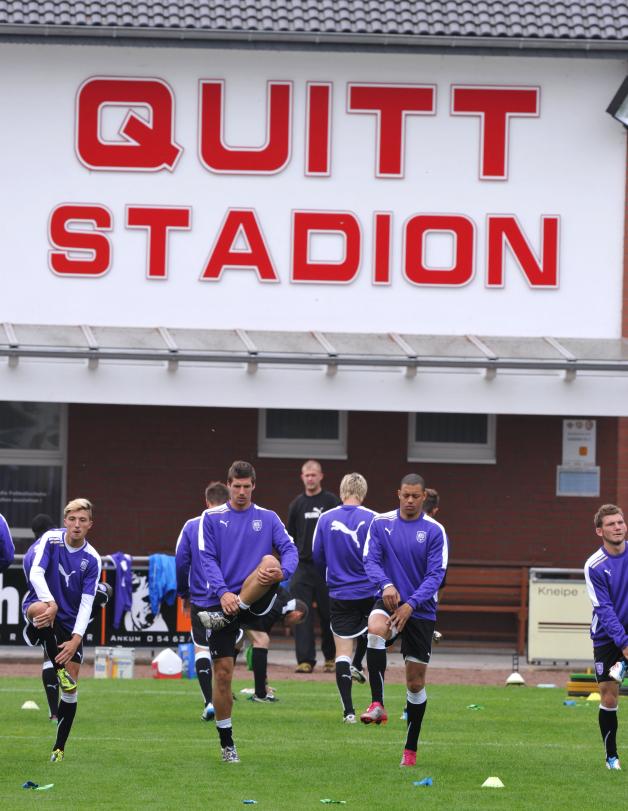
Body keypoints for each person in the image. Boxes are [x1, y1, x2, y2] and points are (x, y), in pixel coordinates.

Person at [197, 460, 298, 763]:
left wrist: (284, 572)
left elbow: (290, 550)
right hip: (221, 601)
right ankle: (227, 743)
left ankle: (238, 613)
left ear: (254, 485)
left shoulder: (267, 518)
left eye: (246, 486)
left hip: (257, 599)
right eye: (236, 486)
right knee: (224, 675)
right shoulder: (211, 517)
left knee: (270, 560)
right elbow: (206, 558)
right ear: (228, 485)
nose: (241, 491)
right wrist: (224, 592)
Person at [361, 473, 448, 768]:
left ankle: (410, 749)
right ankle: (377, 704)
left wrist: (411, 604)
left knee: (414, 683)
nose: (410, 501)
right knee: (374, 630)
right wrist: (386, 584)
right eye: (405, 495)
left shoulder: (435, 531)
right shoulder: (381, 524)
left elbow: (436, 575)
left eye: (415, 496)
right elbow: (370, 560)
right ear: (398, 493)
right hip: (388, 601)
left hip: (420, 610)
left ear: (424, 497)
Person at [22, 498, 102, 762]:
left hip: (71, 622)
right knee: (42, 611)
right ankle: (56, 668)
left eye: (82, 520)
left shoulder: (92, 559)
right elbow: (35, 573)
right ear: (65, 520)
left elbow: (88, 603)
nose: (76, 525)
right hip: (42, 603)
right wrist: (52, 602)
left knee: (70, 690)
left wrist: (75, 640)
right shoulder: (51, 539)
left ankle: (59, 748)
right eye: (72, 519)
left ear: (90, 524)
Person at [312, 472, 377, 723]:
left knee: (342, 651)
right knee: (376, 635)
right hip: (369, 590)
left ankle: (349, 712)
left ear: (341, 492)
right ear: (363, 492)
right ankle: (363, 674)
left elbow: (317, 555)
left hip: (339, 591)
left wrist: (330, 576)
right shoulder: (374, 518)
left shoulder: (326, 519)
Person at [176, 481, 230, 721]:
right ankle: (221, 697)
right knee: (226, 648)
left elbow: (180, 561)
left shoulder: (191, 526)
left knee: (201, 647)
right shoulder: (234, 525)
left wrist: (183, 593)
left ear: (207, 502)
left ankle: (210, 701)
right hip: (229, 597)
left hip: (200, 596)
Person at [584, 503, 628, 771]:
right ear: (600, 531)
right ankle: (612, 757)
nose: (618, 527)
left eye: (620, 522)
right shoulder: (594, 565)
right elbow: (604, 608)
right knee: (610, 696)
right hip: (608, 640)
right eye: (611, 524)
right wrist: (623, 643)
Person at [288, 459, 340, 673]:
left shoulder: (331, 502)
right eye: (306, 475)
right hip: (303, 567)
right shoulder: (296, 505)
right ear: (302, 477)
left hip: (326, 567)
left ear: (321, 476)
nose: (310, 478)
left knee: (330, 613)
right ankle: (305, 660)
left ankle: (331, 657)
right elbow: (290, 536)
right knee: (301, 613)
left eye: (313, 475)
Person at [238, 586, 308, 702]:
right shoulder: (280, 605)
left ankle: (228, 691)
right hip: (242, 603)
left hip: (241, 602)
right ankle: (260, 695)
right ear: (297, 615)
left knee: (238, 643)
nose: (291, 625)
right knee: (261, 640)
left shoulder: (282, 601)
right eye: (295, 623)